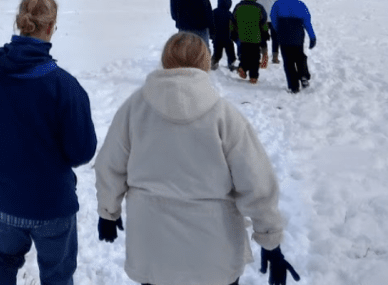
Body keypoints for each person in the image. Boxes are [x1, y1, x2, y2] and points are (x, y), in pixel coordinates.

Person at [94, 33, 299, 285]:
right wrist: (271, 243)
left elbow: (109, 165)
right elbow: (256, 181)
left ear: (165, 60)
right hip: (214, 255)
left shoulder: (134, 109)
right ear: (204, 62)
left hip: (153, 252)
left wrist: (108, 212)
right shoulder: (224, 116)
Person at [0, 0, 99, 285]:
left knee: (1, 261)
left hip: (2, 200)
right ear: (51, 26)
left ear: (20, 22)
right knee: (57, 275)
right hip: (52, 206)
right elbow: (82, 151)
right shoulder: (64, 87)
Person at [269, 0, 317, 94]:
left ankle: (293, 86)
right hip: (298, 36)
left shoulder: (277, 4)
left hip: (284, 37)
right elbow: (307, 22)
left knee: (288, 62)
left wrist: (279, 30)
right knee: (300, 57)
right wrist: (312, 37)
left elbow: (274, 21)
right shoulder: (300, 5)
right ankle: (304, 76)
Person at [231, 0, 269, 84]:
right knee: (255, 57)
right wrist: (265, 33)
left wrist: (233, 33)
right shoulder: (259, 8)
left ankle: (243, 67)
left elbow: (233, 22)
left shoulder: (238, 7)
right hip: (256, 38)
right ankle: (253, 76)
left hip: (242, 37)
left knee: (245, 55)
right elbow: (263, 23)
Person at [253, 0, 283, 64]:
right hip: (274, 16)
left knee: (261, 35)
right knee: (275, 36)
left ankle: (264, 53)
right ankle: (275, 56)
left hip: (260, 16)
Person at [210, 0, 236, 71]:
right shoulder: (229, 14)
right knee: (230, 52)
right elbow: (233, 25)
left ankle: (213, 63)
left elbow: (210, 23)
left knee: (217, 52)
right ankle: (231, 64)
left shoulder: (214, 12)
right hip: (227, 38)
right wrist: (233, 35)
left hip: (216, 37)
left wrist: (211, 34)